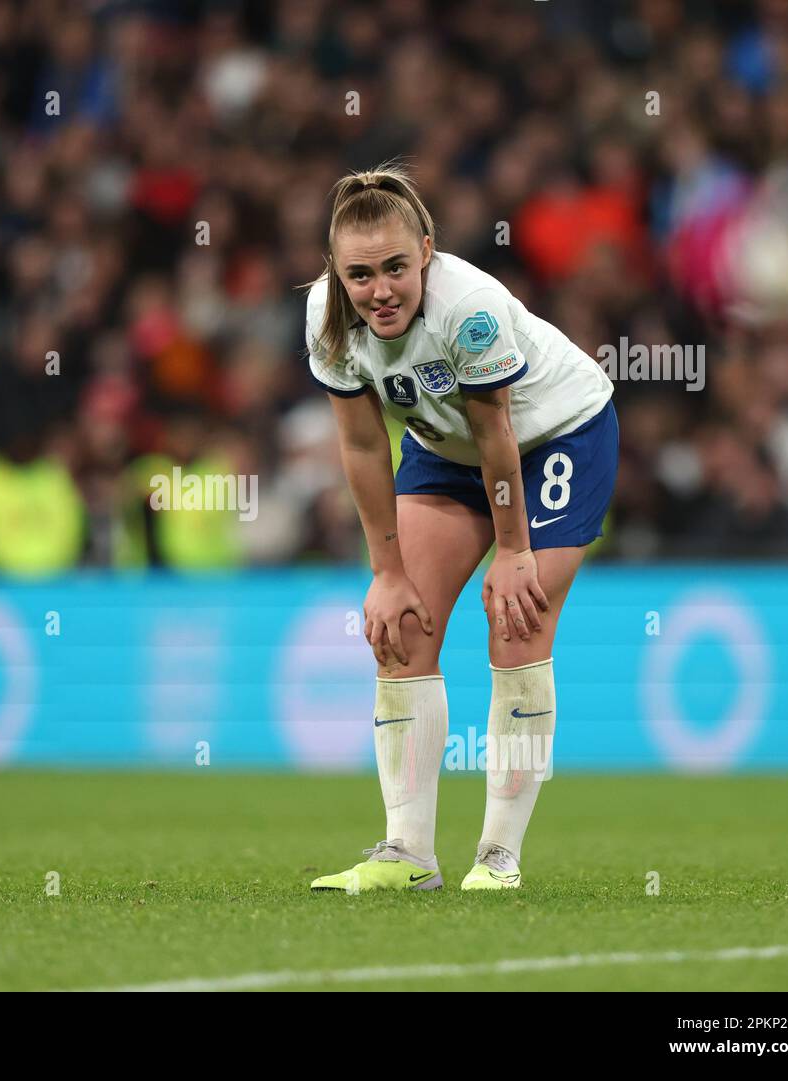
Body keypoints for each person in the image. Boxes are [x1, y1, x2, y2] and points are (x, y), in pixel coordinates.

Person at [305, 162, 617, 892]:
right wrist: (385, 571)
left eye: (395, 267)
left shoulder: (468, 307)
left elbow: (497, 430)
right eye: (359, 274)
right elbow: (359, 444)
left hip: (556, 435)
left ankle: (499, 857)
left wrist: (513, 550)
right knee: (401, 628)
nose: (379, 290)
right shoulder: (326, 315)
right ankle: (408, 854)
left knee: (516, 620)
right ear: (335, 272)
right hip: (444, 446)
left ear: (428, 252)